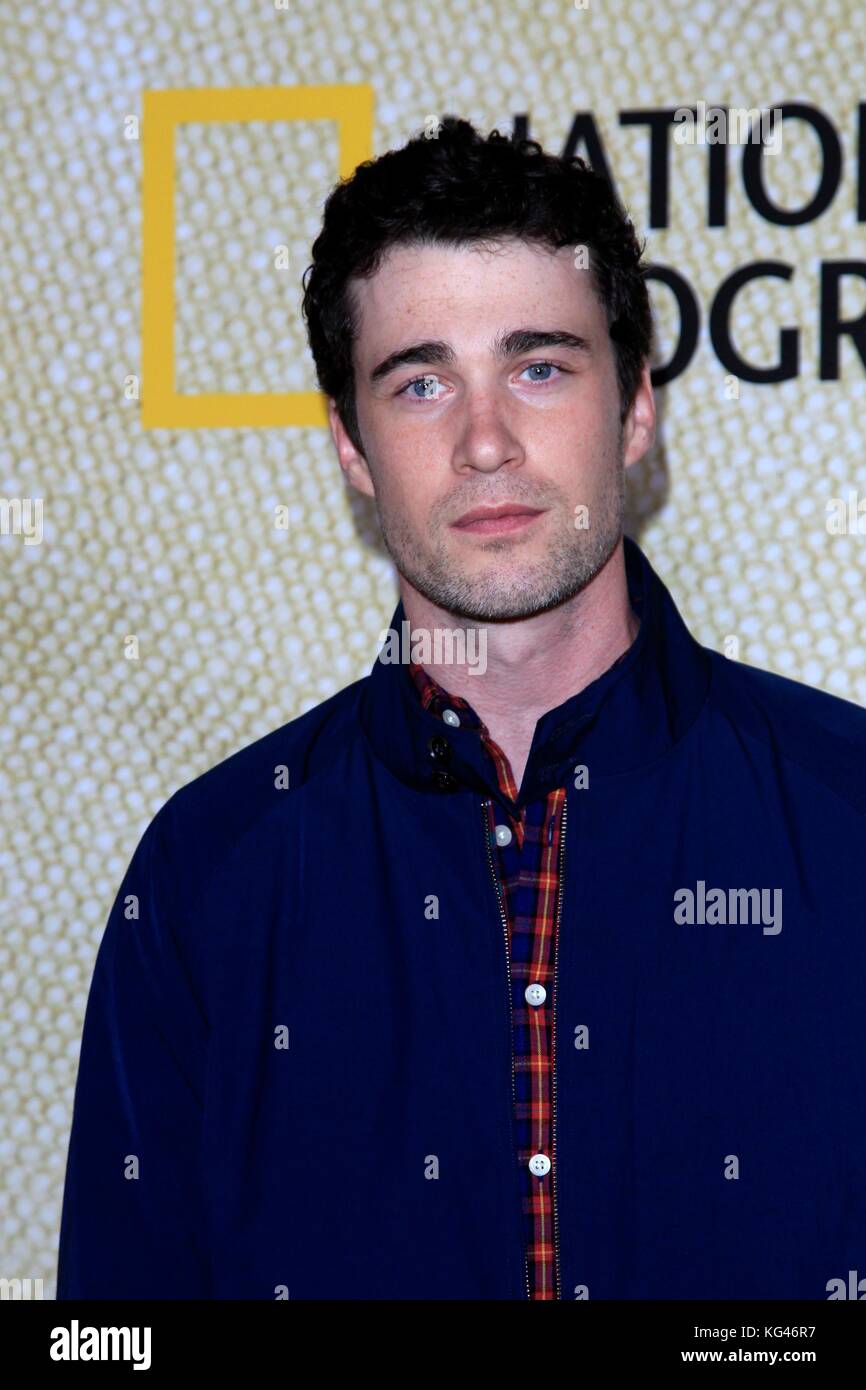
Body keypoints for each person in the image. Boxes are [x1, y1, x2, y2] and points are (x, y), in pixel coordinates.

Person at [57, 118, 866, 1301]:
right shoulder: (208, 875)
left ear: (636, 407)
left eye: (539, 366)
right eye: (421, 381)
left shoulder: (846, 822)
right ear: (349, 444)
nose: (484, 441)